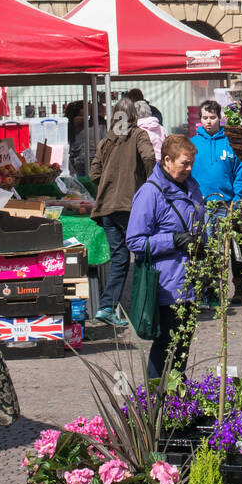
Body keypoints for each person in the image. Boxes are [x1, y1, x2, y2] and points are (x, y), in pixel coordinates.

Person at [125, 135, 205, 377]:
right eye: (185, 163)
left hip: (189, 282)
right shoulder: (150, 193)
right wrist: (173, 240)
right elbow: (135, 241)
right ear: (167, 161)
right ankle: (154, 405)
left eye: (192, 163)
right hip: (166, 285)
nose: (189, 169)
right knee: (165, 347)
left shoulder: (191, 186)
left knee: (182, 348)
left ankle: (177, 405)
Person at [89, 99, 155, 327]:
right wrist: (149, 183)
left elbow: (93, 172)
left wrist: (108, 184)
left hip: (107, 207)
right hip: (130, 207)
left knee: (119, 257)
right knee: (144, 254)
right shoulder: (139, 135)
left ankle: (107, 307)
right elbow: (148, 157)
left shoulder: (107, 140)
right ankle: (143, 307)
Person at [191, 99, 242, 304]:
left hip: (227, 205)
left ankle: (228, 290)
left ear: (219, 118)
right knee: (206, 250)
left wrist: (237, 200)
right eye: (205, 117)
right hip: (202, 206)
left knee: (227, 251)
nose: (208, 122)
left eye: (212, 117)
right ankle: (208, 292)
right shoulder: (193, 144)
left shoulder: (230, 143)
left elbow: (240, 172)